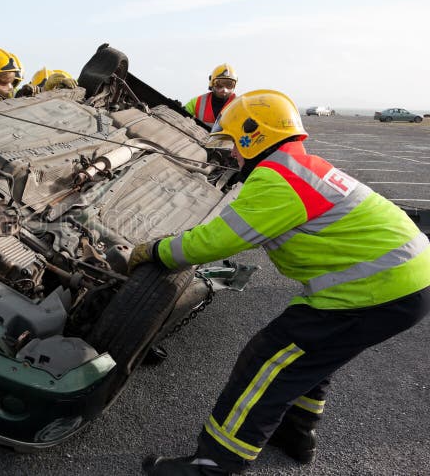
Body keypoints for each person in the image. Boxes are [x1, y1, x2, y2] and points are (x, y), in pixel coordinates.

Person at [129, 90, 430, 475]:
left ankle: (214, 463)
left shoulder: (277, 179)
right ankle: (295, 435)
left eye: (234, 143)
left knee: (266, 360)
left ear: (253, 136)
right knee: (307, 361)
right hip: (404, 282)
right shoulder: (300, 166)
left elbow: (216, 241)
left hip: (379, 289)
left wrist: (155, 251)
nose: (233, 154)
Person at [184, 64, 238, 132]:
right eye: (219, 85)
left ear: (234, 86)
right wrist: (177, 108)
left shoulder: (239, 105)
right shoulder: (197, 101)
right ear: (212, 83)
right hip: (197, 137)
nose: (224, 90)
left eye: (229, 85)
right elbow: (182, 115)